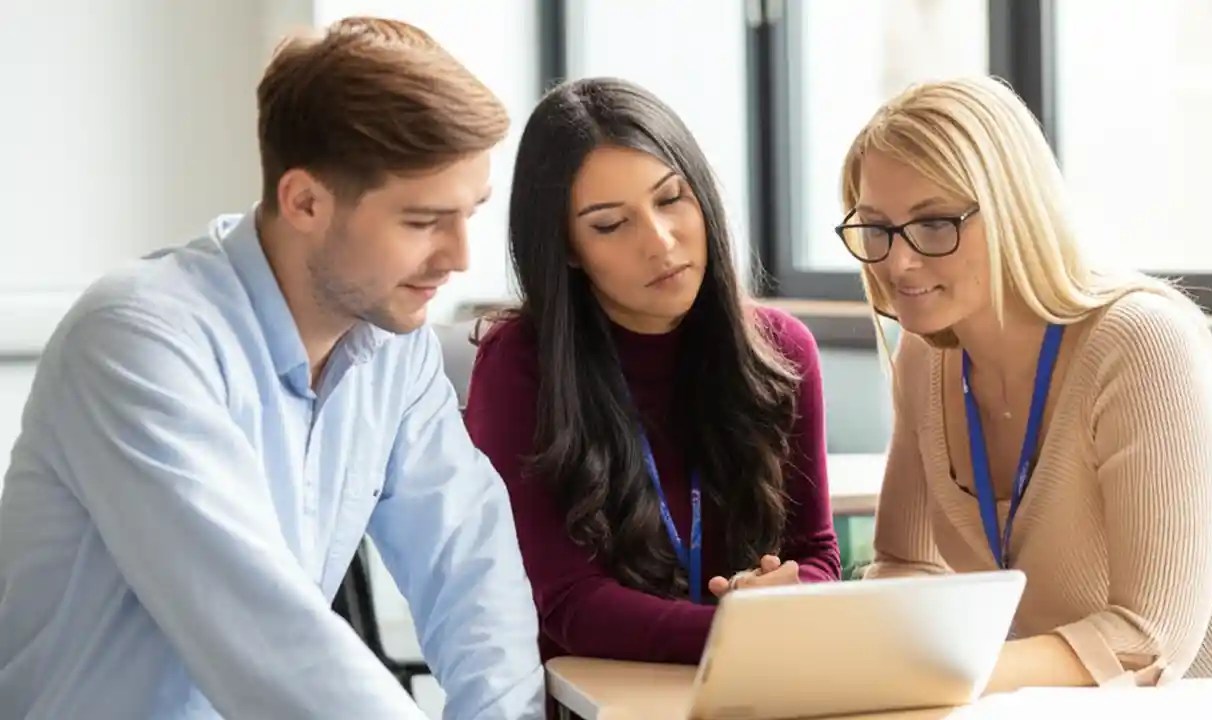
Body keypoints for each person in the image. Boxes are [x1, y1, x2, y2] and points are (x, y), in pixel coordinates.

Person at [0, 17, 543, 719]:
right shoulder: (139, 340)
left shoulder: (392, 346)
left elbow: (469, 565)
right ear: (305, 202)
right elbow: (269, 639)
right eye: (421, 221)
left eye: (470, 213)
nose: (460, 255)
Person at [843, 75, 1212, 689]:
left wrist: (941, 669)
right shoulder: (925, 354)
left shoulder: (1140, 343)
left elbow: (1147, 642)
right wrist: (817, 632)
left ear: (1015, 212)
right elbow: (909, 564)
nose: (897, 261)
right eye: (876, 229)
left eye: (934, 224)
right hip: (1050, 700)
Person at [463, 77, 842, 666]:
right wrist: (737, 636)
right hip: (596, 698)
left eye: (670, 199)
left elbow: (815, 553)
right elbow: (567, 603)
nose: (661, 242)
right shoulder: (519, 364)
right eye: (612, 225)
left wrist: (791, 595)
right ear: (566, 247)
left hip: (754, 693)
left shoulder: (781, 350)